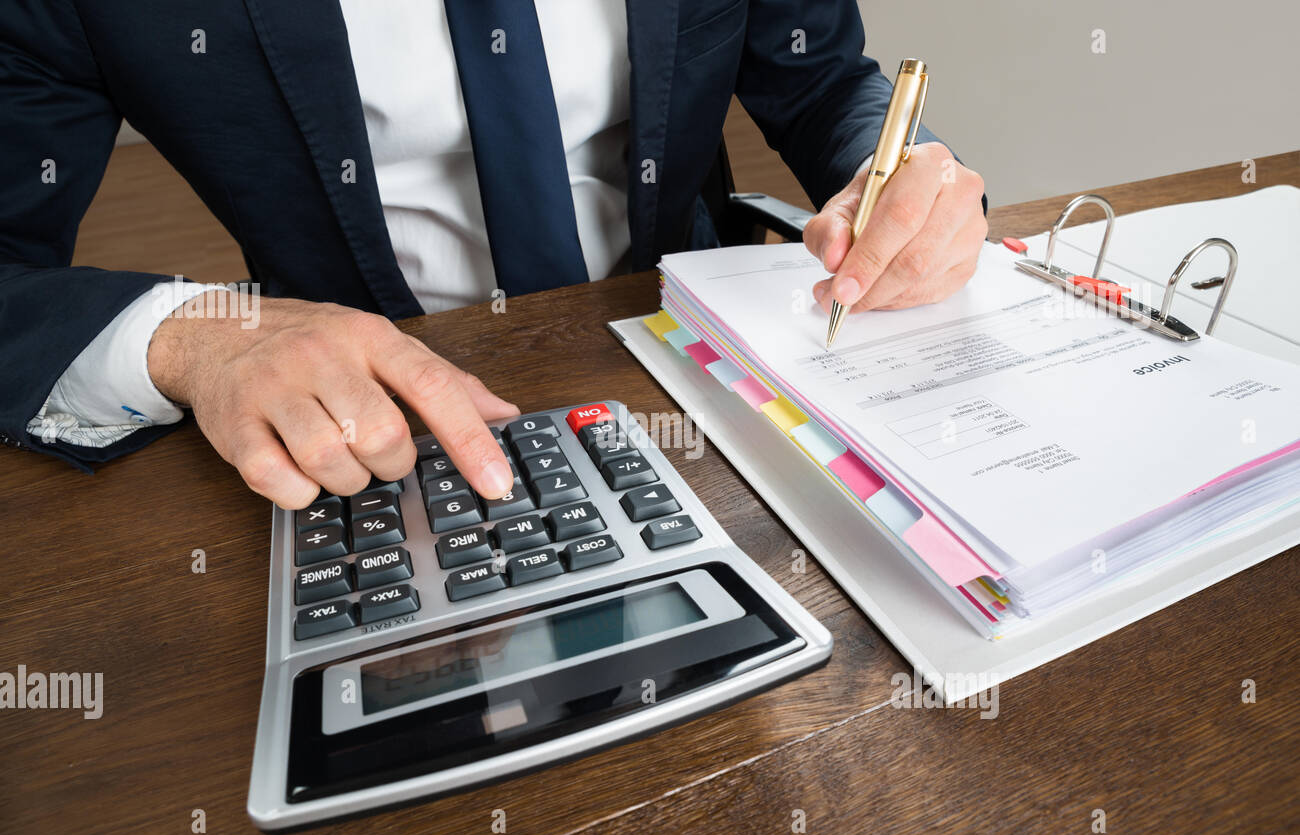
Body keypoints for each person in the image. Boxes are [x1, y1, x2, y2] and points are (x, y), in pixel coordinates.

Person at [0, 0, 986, 508]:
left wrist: (897, 168)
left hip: (704, 364)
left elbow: (823, 83)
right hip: (368, 416)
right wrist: (193, 338)